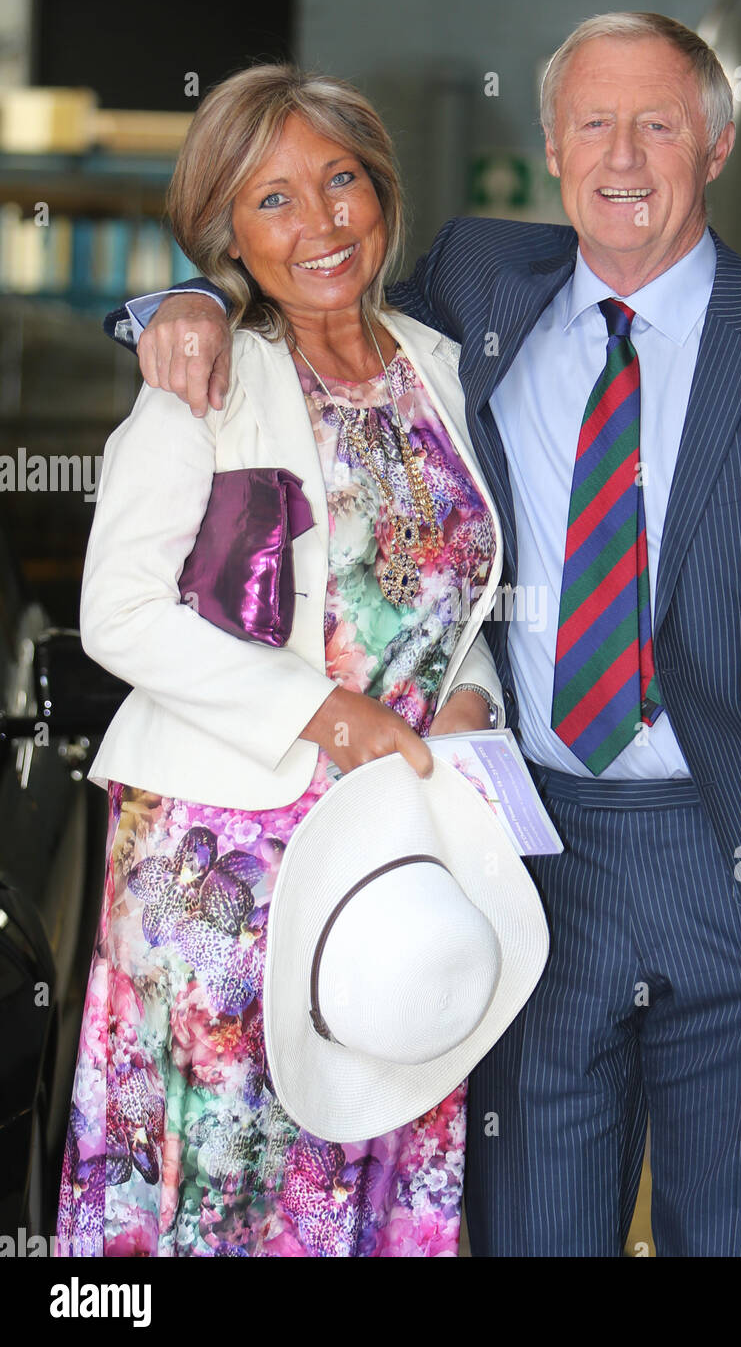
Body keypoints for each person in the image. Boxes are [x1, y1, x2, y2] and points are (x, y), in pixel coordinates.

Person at [107, 13, 741, 1257]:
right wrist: (173, 301)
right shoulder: (477, 289)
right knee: (530, 1235)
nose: (623, 155)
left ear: (715, 143)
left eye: (658, 122)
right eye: (592, 122)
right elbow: (295, 280)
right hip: (528, 859)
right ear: (548, 145)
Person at [58, 64, 507, 1258]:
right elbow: (120, 613)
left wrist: (469, 693)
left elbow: (464, 603)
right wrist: (326, 712)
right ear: (226, 234)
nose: (319, 224)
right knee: (227, 1178)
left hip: (395, 849)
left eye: (338, 179)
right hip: (224, 858)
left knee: (376, 1139)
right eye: (272, 200)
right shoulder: (203, 377)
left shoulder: (443, 367)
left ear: (380, 184)